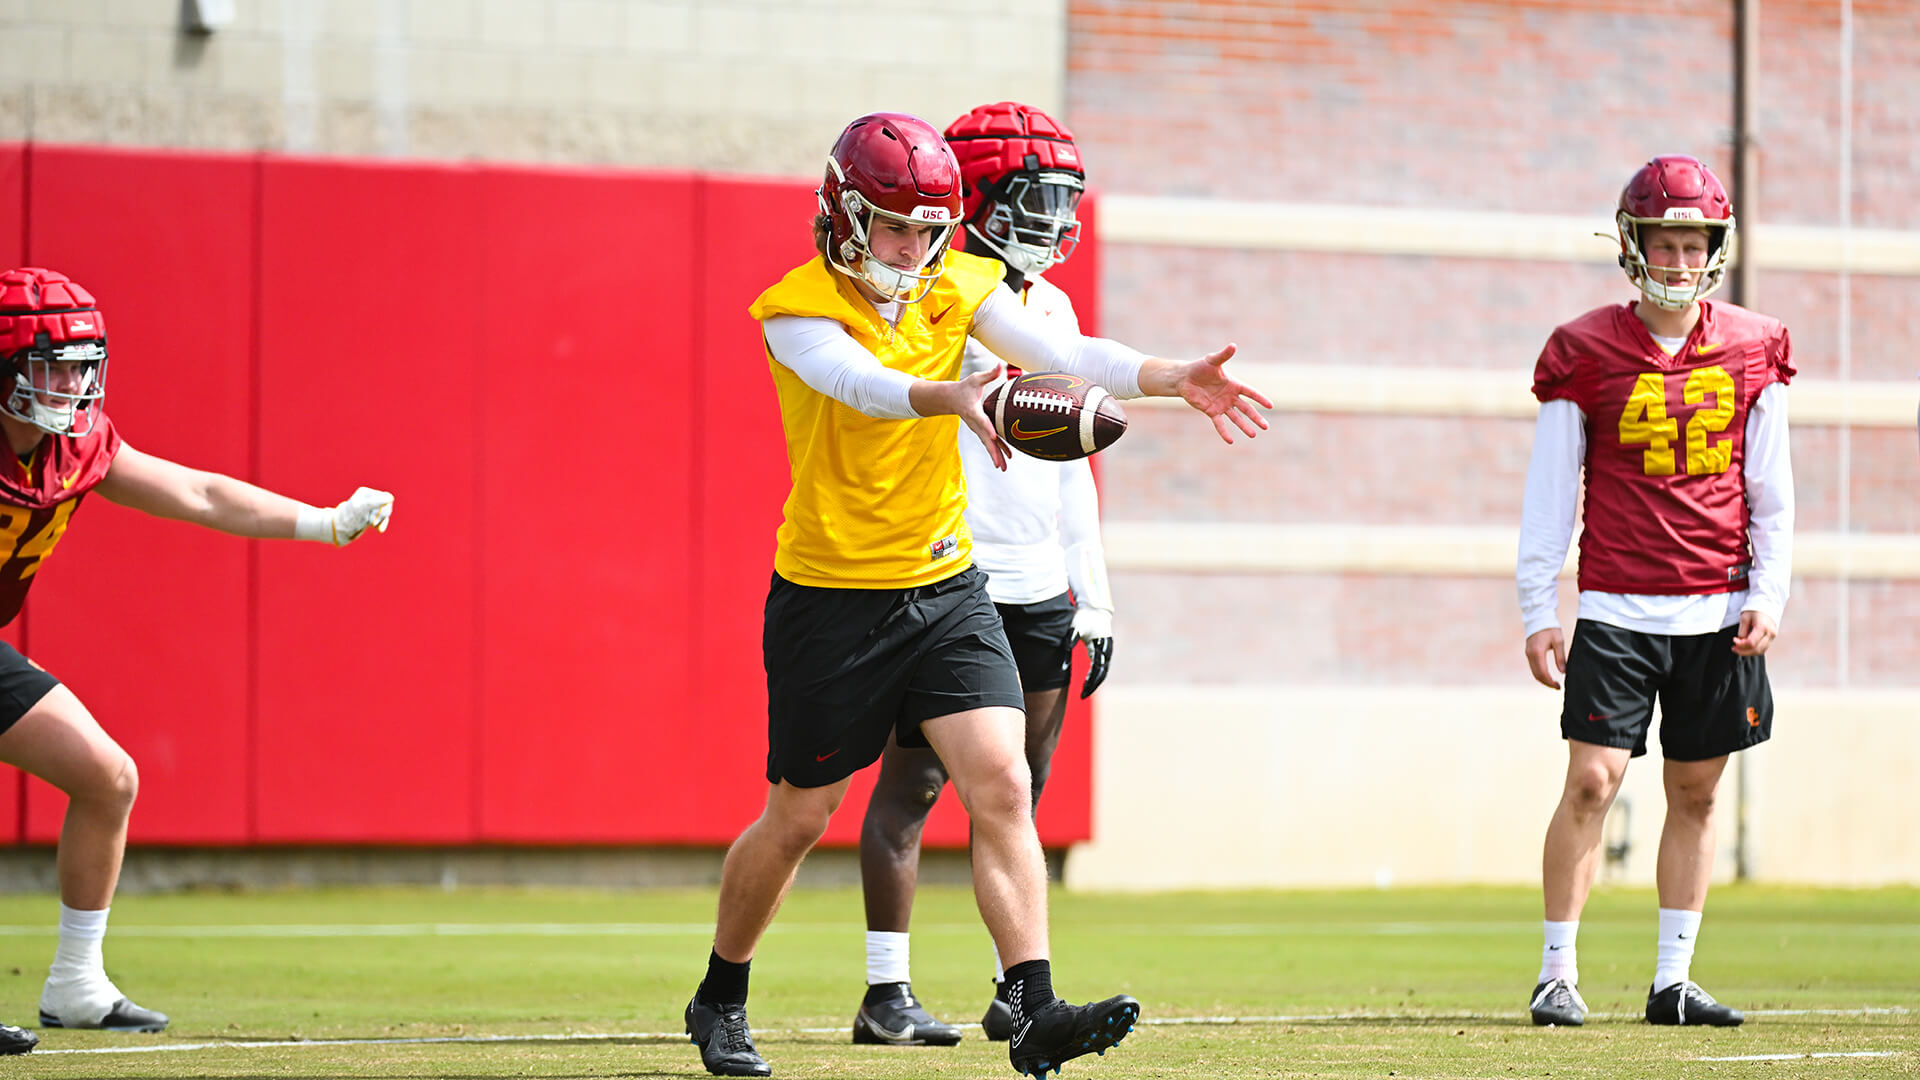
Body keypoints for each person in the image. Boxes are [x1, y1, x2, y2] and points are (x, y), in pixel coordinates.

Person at [683, 111, 1270, 1079]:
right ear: (841, 215)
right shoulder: (794, 310)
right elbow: (866, 386)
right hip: (834, 597)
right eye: (892, 227)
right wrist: (957, 396)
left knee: (1002, 782)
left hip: (945, 583)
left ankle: (1034, 1007)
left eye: (928, 229)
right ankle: (721, 995)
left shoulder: (959, 283)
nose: (912, 249)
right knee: (799, 816)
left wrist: (1171, 378)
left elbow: (1064, 354)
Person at [0, 267, 394, 1053]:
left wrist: (324, 523)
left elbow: (201, 494)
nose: (73, 384)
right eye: (53, 364)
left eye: (84, 365)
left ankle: (77, 985)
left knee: (106, 778)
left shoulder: (76, 447)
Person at [850, 102, 1114, 1049]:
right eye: (1037, 198)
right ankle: (887, 991)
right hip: (956, 577)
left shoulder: (1053, 310)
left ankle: (1018, 989)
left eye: (1063, 201)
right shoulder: (939, 291)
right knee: (913, 790)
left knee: (1019, 795)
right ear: (987, 197)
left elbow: (1075, 465)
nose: (1055, 220)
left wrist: (1097, 595)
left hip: (1041, 583)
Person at [1516, 155, 1792, 1029]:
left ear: (1715, 247)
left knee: (1698, 792)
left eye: (1693, 244)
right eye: (1665, 244)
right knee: (1593, 781)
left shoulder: (1754, 345)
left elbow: (1771, 490)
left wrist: (1770, 592)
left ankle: (1673, 980)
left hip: (1715, 605)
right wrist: (1537, 608)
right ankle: (1556, 970)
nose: (1679, 261)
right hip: (1617, 607)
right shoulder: (1584, 349)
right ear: (1633, 246)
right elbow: (1551, 492)